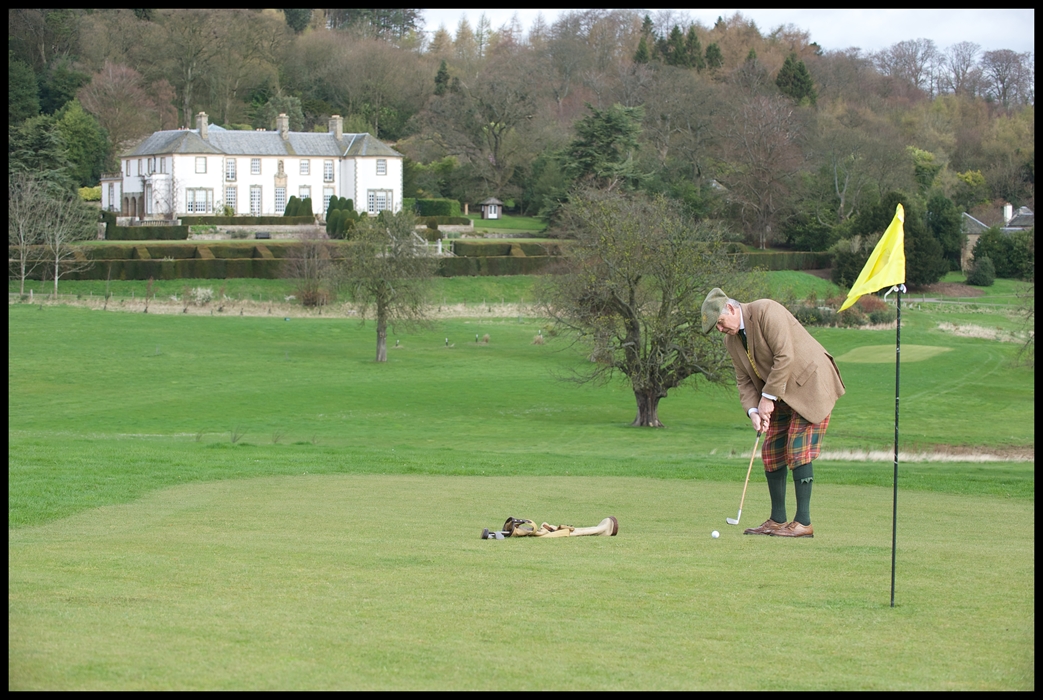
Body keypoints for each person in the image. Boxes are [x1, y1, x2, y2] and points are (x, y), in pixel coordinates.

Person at [701, 288, 845, 538]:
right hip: (780, 393)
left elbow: (784, 355)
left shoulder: (766, 310)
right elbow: (743, 380)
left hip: (810, 384)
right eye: (717, 327)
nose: (720, 330)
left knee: (797, 449)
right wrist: (754, 410)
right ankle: (778, 520)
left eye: (721, 323)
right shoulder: (731, 340)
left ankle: (803, 523)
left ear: (732, 309)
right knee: (771, 451)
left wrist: (767, 398)